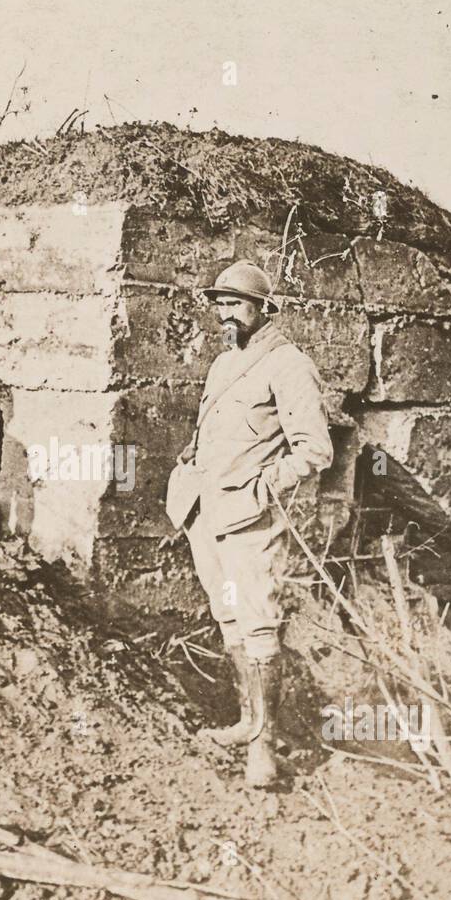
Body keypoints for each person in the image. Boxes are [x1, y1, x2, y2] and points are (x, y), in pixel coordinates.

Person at [165, 261, 334, 787]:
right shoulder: (224, 364)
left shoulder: (288, 365)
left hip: (250, 521)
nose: (225, 314)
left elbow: (315, 450)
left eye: (235, 304)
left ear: (264, 308)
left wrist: (261, 488)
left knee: (259, 627)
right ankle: (245, 720)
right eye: (219, 303)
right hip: (206, 512)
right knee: (230, 618)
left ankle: (263, 748)